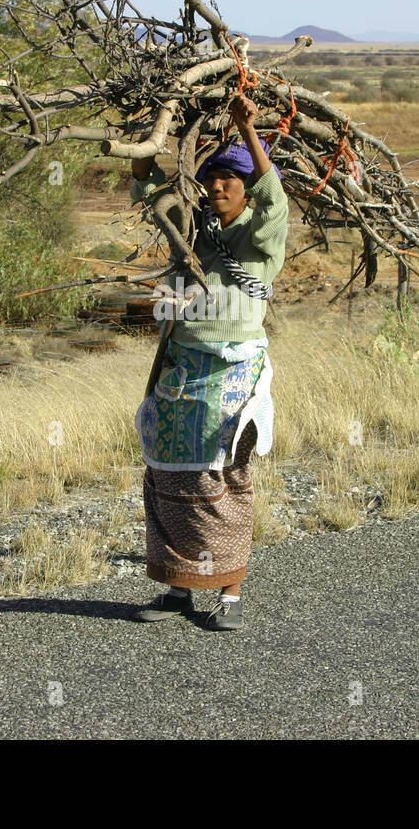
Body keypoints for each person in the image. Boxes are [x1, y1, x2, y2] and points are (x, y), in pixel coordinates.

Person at [128, 93, 288, 630]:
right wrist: (147, 137)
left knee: (225, 476)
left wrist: (248, 130)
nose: (217, 186)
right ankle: (179, 587)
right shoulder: (192, 227)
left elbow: (276, 203)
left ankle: (230, 591)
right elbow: (149, 188)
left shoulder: (260, 241)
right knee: (169, 474)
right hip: (180, 371)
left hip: (232, 374)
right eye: (211, 178)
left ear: (246, 188)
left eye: (230, 180)